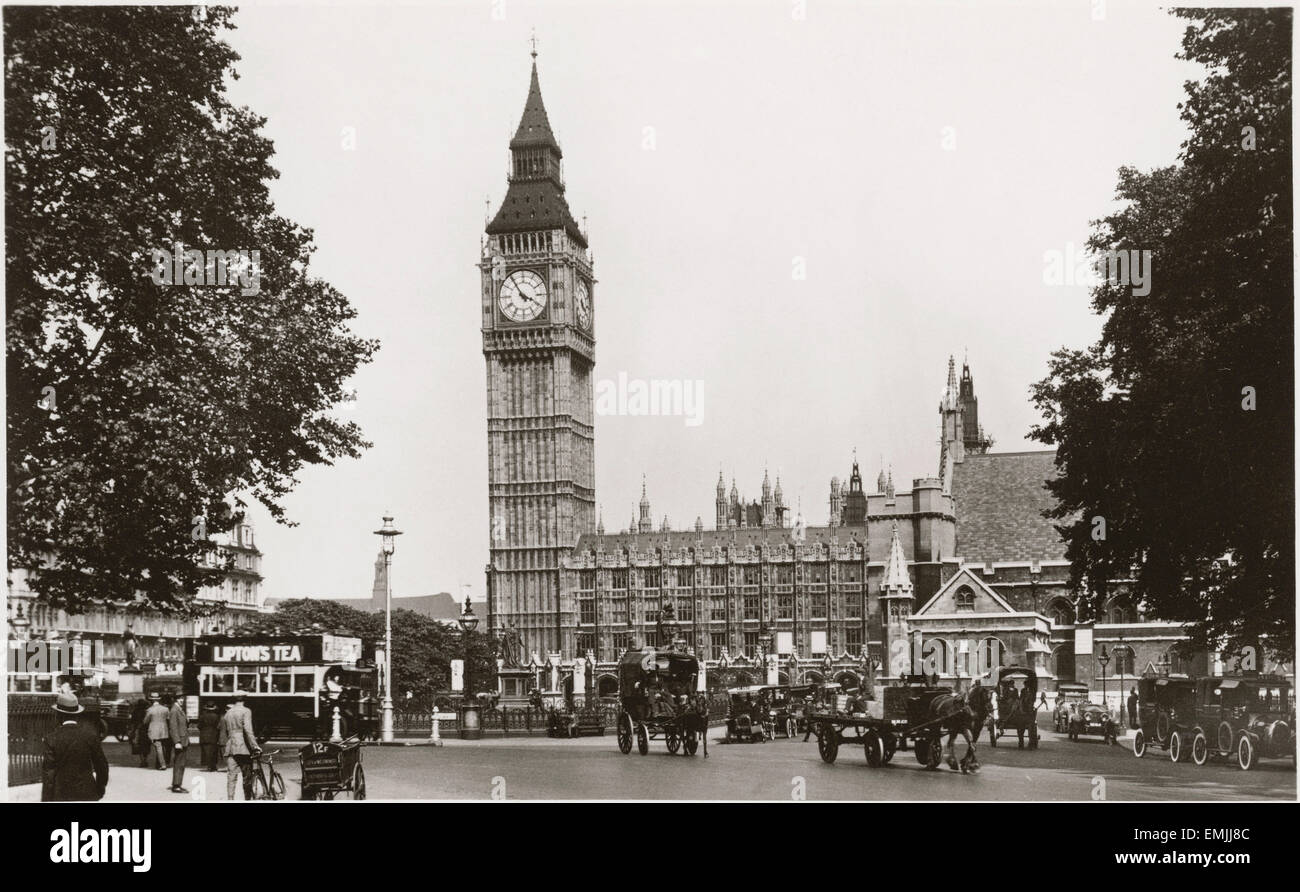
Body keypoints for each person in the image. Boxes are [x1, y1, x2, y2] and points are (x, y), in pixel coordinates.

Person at [41, 691, 109, 801]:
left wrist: (46, 799)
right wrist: (100, 788)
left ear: (58, 715)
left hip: (61, 795)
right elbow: (102, 766)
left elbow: (49, 774)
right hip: (88, 793)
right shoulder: (90, 736)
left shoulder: (51, 739)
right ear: (77, 715)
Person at [220, 690, 260, 800]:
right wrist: (255, 746)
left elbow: (227, 731)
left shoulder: (228, 713)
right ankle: (247, 799)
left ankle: (230, 799)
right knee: (247, 776)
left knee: (231, 776)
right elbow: (248, 730)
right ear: (244, 699)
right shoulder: (246, 711)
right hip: (243, 747)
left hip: (231, 746)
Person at [168, 693, 190, 793]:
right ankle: (176, 785)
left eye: (182, 698)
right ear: (175, 700)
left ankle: (177, 784)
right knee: (179, 763)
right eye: (179, 698)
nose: (181, 700)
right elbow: (173, 727)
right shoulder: (174, 710)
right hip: (180, 741)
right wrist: (177, 741)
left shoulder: (179, 709)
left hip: (183, 740)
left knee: (181, 763)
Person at [145, 692, 171, 770]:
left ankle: (163, 764)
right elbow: (168, 718)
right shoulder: (165, 709)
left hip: (154, 730)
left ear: (151, 701)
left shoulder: (150, 710)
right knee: (163, 747)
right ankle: (162, 762)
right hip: (164, 730)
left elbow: (145, 721)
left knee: (158, 747)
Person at [198, 703, 222, 771]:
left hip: (204, 735)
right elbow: (218, 726)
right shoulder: (216, 716)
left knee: (206, 751)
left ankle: (208, 765)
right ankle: (213, 765)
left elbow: (199, 726)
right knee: (213, 751)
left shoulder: (202, 716)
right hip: (214, 735)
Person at [129, 697, 150, 767]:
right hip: (146, 730)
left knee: (139, 746)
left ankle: (142, 761)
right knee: (146, 746)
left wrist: (132, 731)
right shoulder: (147, 711)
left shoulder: (135, 711)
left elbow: (132, 722)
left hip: (138, 730)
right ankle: (145, 760)